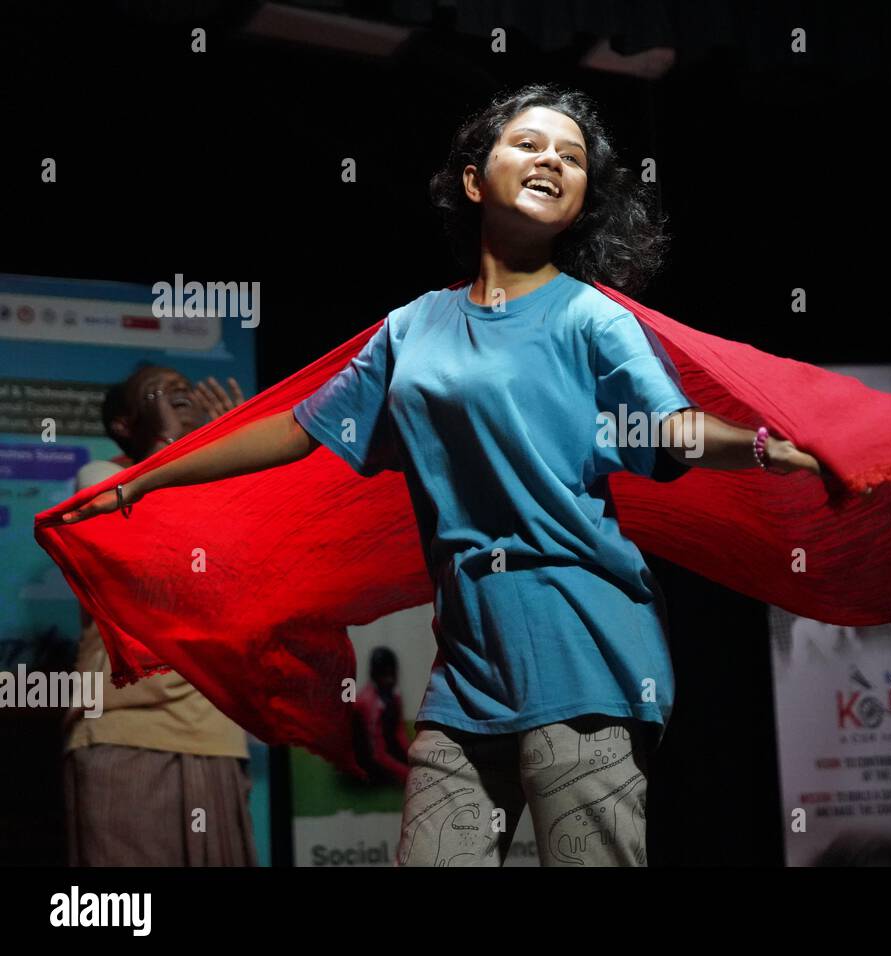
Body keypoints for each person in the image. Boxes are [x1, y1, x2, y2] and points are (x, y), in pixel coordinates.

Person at [61, 84, 823, 866]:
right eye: (529, 145)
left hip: (587, 649)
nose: (552, 162)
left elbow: (672, 430)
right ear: (472, 179)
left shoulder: (591, 318)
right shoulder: (411, 328)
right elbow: (296, 432)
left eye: (571, 158)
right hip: (467, 668)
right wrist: (150, 479)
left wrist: (762, 445)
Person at [64, 364, 258, 866]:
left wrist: (233, 452)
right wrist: (183, 447)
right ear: (126, 426)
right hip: (128, 732)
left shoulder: (216, 484)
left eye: (184, 388)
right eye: (159, 391)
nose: (180, 393)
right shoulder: (100, 477)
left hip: (216, 735)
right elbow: (148, 542)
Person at [353, 647, 412, 787]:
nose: (390, 680)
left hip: (380, 749)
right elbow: (377, 754)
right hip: (363, 758)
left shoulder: (394, 697)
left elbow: (399, 733)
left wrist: (414, 759)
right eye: (385, 675)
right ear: (375, 675)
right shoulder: (369, 702)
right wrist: (407, 773)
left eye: (392, 674)